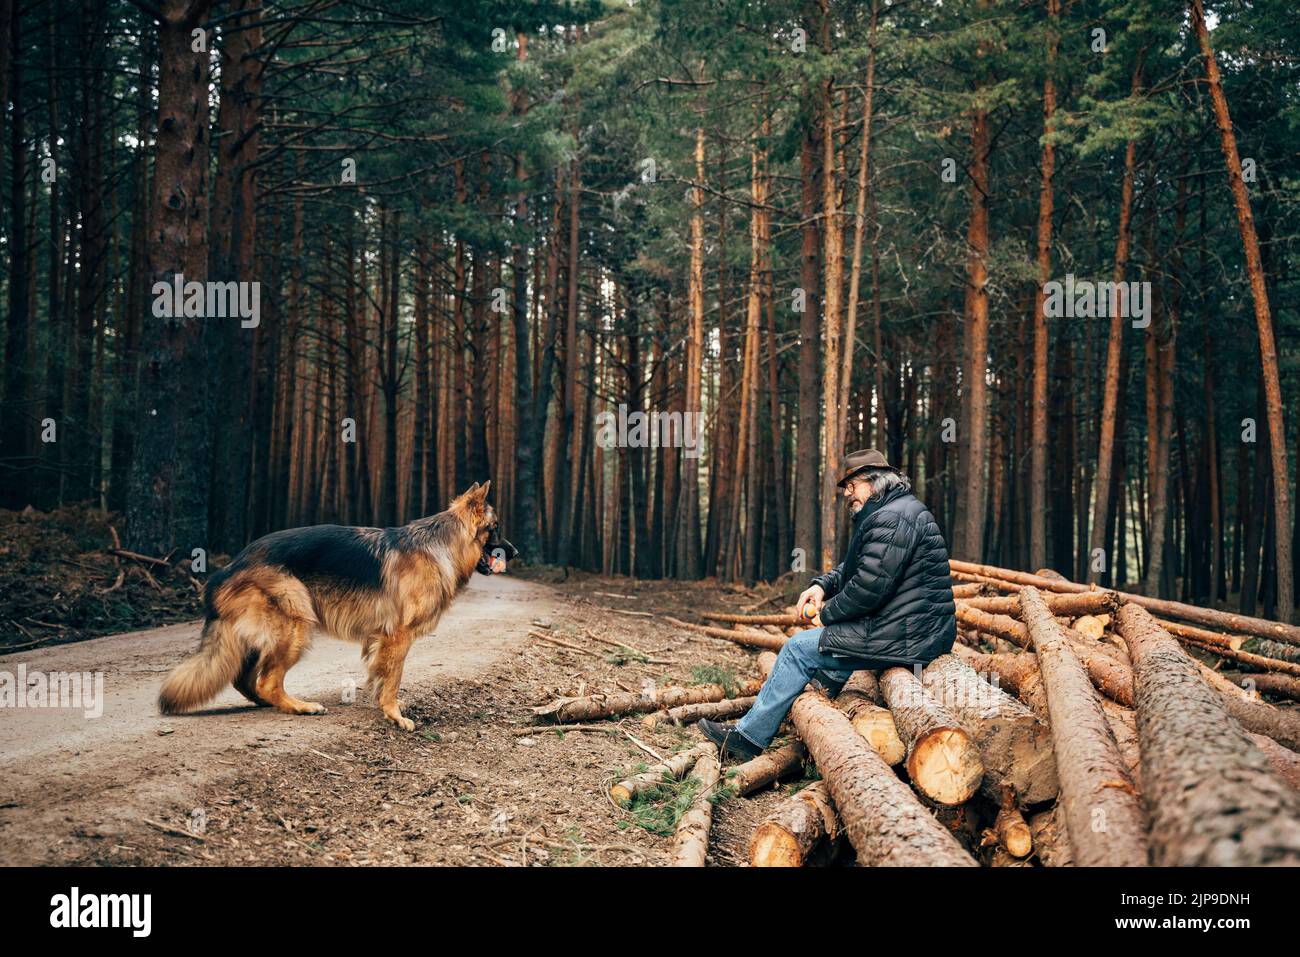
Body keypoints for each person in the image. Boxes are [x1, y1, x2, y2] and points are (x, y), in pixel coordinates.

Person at [698, 449, 957, 759]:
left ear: (877, 482)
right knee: (827, 640)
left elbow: (867, 589)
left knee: (797, 648)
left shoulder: (891, 517)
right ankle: (821, 694)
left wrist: (826, 615)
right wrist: (821, 586)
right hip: (912, 630)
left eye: (852, 485)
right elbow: (853, 570)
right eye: (845, 488)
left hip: (908, 636)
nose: (847, 494)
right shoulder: (894, 511)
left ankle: (748, 739)